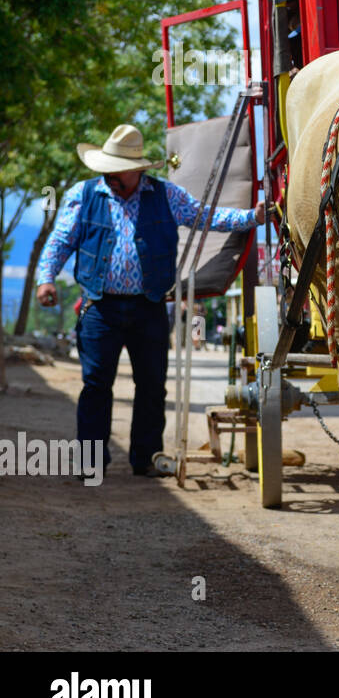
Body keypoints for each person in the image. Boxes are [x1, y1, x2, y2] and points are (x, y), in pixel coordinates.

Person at [35, 125, 264, 477]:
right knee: (95, 384)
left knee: (152, 385)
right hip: (100, 307)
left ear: (137, 168)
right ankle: (91, 462)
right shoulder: (83, 195)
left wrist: (252, 217)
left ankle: (145, 457)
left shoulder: (166, 195)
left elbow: (205, 216)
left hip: (149, 305)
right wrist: (46, 279)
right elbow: (60, 240)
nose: (109, 171)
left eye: (116, 165)